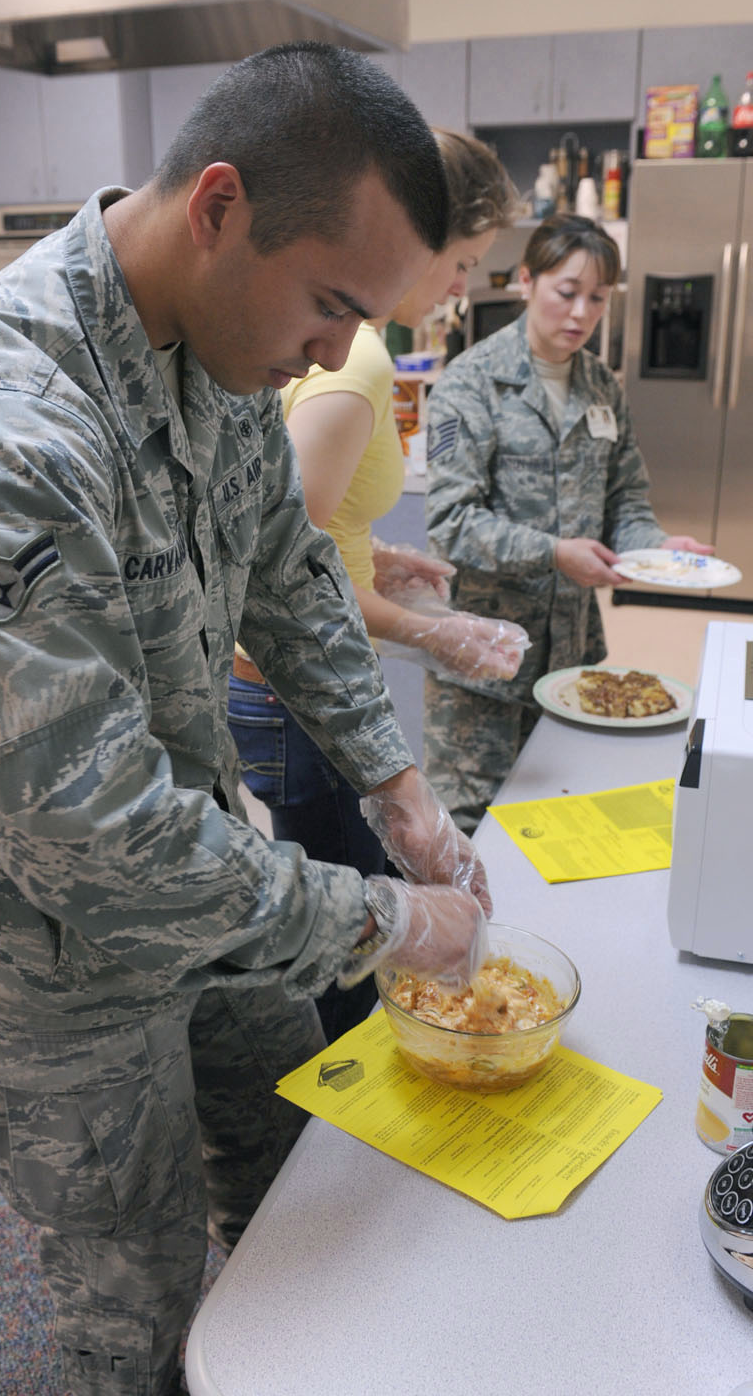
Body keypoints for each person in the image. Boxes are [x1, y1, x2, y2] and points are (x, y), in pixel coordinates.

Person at [0, 44, 493, 1396]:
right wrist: (388, 920)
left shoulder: (222, 349)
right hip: (58, 962)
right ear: (218, 206)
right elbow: (98, 849)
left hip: (207, 875)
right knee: (132, 1297)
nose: (337, 355)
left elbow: (285, 565)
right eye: (329, 304)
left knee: (293, 1168)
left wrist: (395, 782)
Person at [228, 128, 526, 1042]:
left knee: (350, 894)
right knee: (349, 951)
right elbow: (283, 578)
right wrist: (430, 631)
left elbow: (299, 525)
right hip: (289, 691)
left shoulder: (351, 358)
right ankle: (350, 1112)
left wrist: (378, 561)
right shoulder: (355, 364)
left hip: (304, 682)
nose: (459, 289)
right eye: (463, 263)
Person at [423, 212, 713, 833]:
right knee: (471, 827)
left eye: (598, 299)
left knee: (558, 815)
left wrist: (658, 546)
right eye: (566, 292)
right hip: (487, 661)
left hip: (573, 656)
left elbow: (625, 500)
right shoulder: (471, 385)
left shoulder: (602, 388)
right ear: (527, 281)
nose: (581, 313)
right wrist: (554, 553)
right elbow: (452, 523)